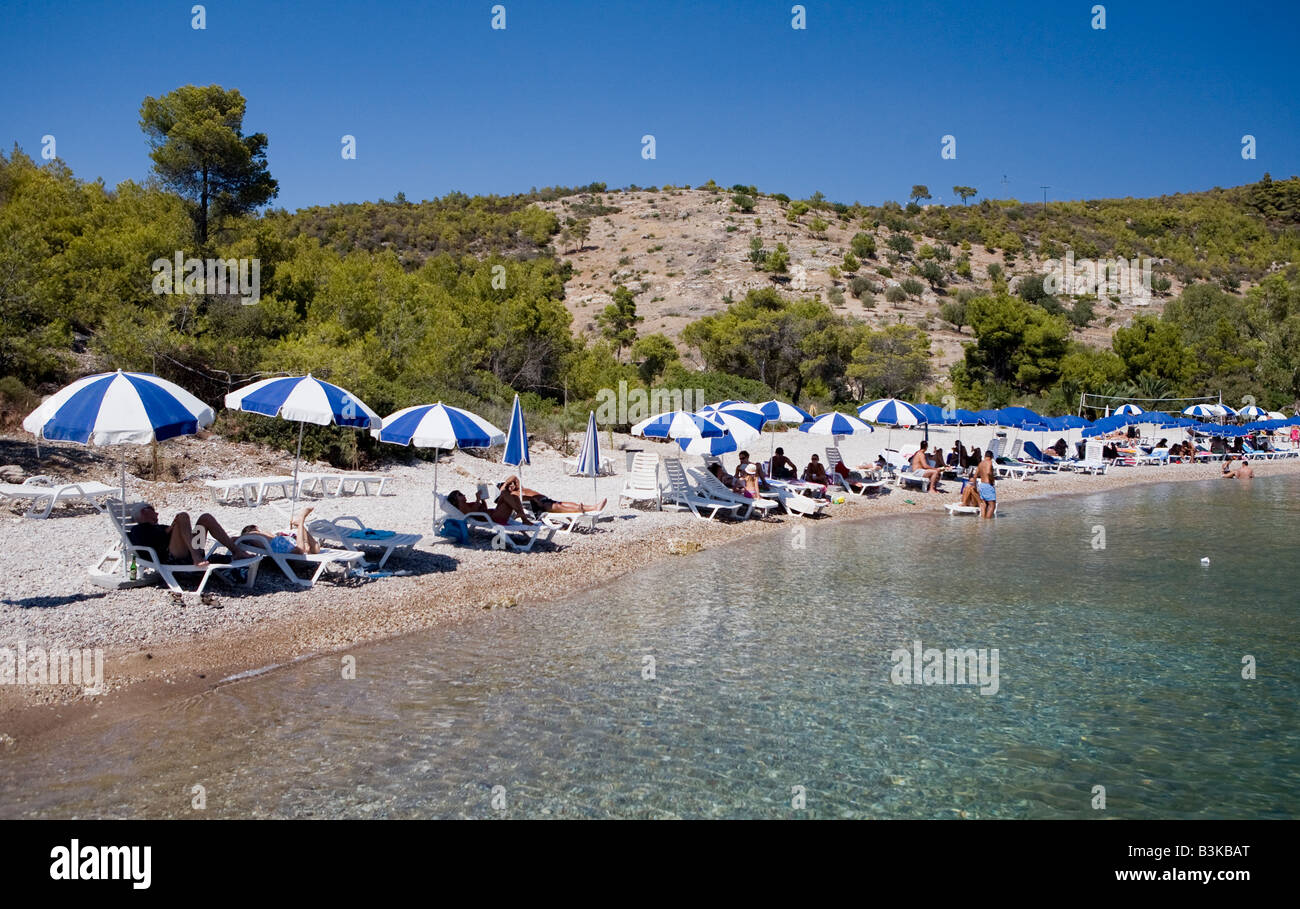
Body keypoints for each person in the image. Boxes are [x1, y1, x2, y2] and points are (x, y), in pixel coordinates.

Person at [128, 503, 255, 566]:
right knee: (182, 516)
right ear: (145, 512)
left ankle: (236, 551)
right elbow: (153, 545)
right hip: (171, 558)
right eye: (153, 511)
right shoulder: (138, 530)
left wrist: (171, 529)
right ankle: (197, 558)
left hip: (187, 550)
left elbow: (180, 534)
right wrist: (171, 529)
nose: (157, 514)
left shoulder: (158, 527)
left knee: (206, 518)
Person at [497, 475, 604, 516]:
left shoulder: (520, 488)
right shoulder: (511, 494)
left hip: (544, 500)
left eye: (511, 484)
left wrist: (511, 482)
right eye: (508, 486)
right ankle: (580, 509)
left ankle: (593, 507)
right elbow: (502, 496)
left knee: (564, 503)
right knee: (559, 507)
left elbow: (515, 477)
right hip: (540, 506)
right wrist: (505, 485)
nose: (511, 486)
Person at [240, 506, 323, 555]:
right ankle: (300, 522)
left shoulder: (254, 535)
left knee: (301, 550)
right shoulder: (254, 534)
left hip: (277, 544)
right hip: (279, 543)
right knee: (315, 549)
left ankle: (300, 521)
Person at [447, 487, 533, 525]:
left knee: (511, 495)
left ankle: (522, 516)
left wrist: (482, 499)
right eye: (460, 494)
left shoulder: (467, 504)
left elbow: (484, 509)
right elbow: (472, 513)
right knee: (505, 493)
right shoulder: (462, 508)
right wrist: (477, 499)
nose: (463, 494)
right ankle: (522, 515)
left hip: (493, 514)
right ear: (456, 500)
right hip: (494, 518)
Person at [973, 451, 997, 518]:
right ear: (992, 457)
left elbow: (975, 476)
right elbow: (989, 473)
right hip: (988, 485)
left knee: (984, 504)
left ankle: (983, 522)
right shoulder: (989, 462)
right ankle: (988, 522)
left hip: (982, 485)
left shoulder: (981, 463)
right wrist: (992, 480)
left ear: (985, 456)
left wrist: (975, 487)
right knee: (992, 506)